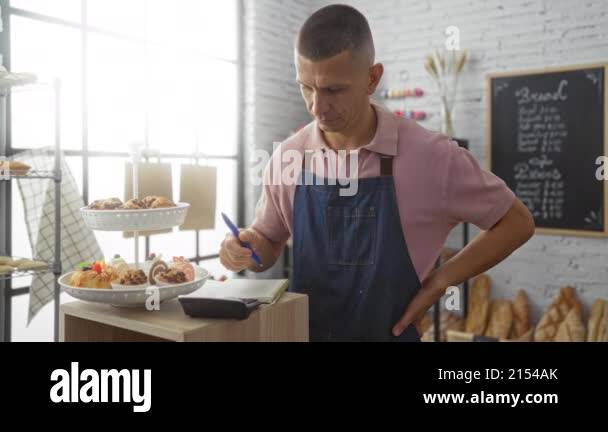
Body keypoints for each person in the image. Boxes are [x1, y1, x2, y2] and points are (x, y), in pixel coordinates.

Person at [219, 4, 534, 341]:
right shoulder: (288, 157)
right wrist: (247, 247)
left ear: (372, 78)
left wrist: (441, 280)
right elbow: (267, 244)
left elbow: (516, 223)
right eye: (306, 86)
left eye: (333, 90)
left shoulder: (431, 156)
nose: (316, 106)